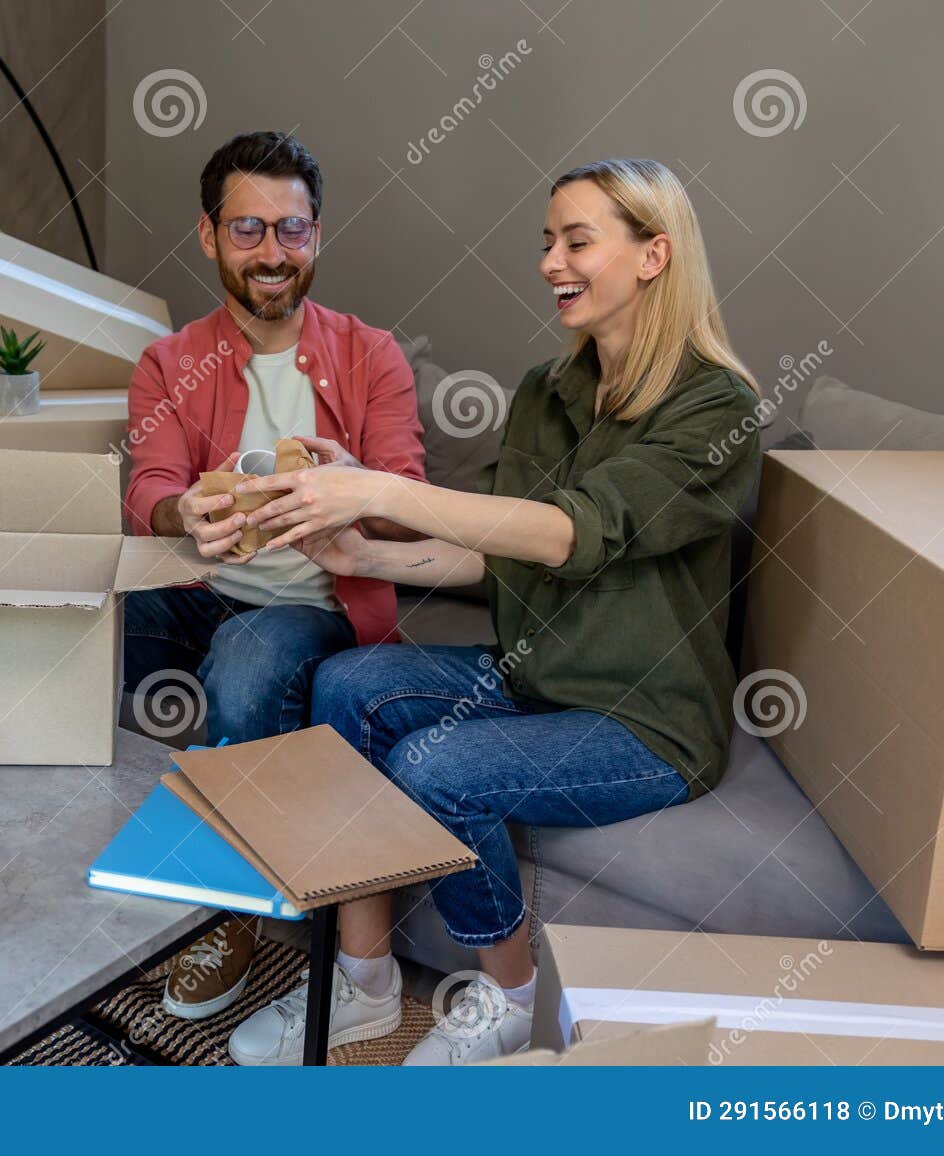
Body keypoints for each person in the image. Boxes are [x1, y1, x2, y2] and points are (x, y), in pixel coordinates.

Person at [224, 158, 763, 1065]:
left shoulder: (719, 408)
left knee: (438, 765)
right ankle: (364, 981)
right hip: (535, 674)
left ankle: (508, 998)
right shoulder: (548, 392)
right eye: (548, 242)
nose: (552, 260)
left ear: (653, 255)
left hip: (643, 718)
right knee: (347, 684)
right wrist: (367, 549)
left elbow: (570, 534)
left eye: (577, 241)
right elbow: (498, 548)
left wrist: (373, 484)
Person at [121, 131, 425, 1021]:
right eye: (248, 230)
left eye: (291, 231)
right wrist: (186, 513)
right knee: (102, 629)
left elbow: (409, 499)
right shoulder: (170, 362)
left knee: (251, 659)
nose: (271, 254)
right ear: (210, 238)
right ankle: (144, 854)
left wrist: (349, 488)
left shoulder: (372, 355)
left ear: (316, 238)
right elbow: (150, 486)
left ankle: (233, 914)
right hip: (200, 591)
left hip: (320, 605)